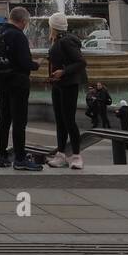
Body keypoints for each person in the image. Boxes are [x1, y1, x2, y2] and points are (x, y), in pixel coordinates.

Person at [0, 6, 42, 171]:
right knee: (19, 121)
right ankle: (20, 158)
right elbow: (25, 62)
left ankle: (2, 155)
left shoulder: (0, 32)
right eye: (26, 22)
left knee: (4, 119)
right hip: (18, 83)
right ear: (23, 21)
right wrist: (36, 64)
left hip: (2, 81)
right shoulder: (18, 36)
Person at [45, 11, 88, 170]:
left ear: (53, 26)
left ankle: (76, 156)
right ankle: (61, 154)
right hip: (59, 85)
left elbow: (81, 62)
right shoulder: (57, 41)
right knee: (60, 121)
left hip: (68, 84)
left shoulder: (66, 41)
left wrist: (63, 72)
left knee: (69, 120)